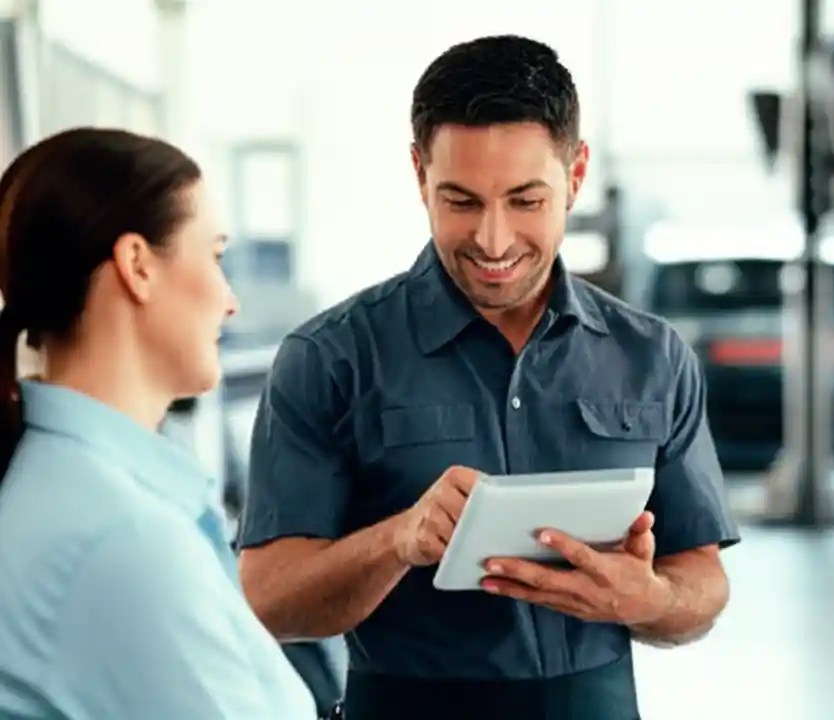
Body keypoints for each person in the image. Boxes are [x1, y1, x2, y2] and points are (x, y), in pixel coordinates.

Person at [238, 35, 740, 720]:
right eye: (462, 201)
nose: (495, 241)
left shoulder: (652, 356)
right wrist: (397, 540)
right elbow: (271, 601)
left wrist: (651, 600)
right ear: (419, 174)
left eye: (526, 201)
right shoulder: (330, 358)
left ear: (576, 172)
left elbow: (702, 578)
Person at [0, 129, 316, 718]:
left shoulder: (90, 493)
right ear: (138, 265)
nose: (230, 300)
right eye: (216, 257)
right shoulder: (115, 534)